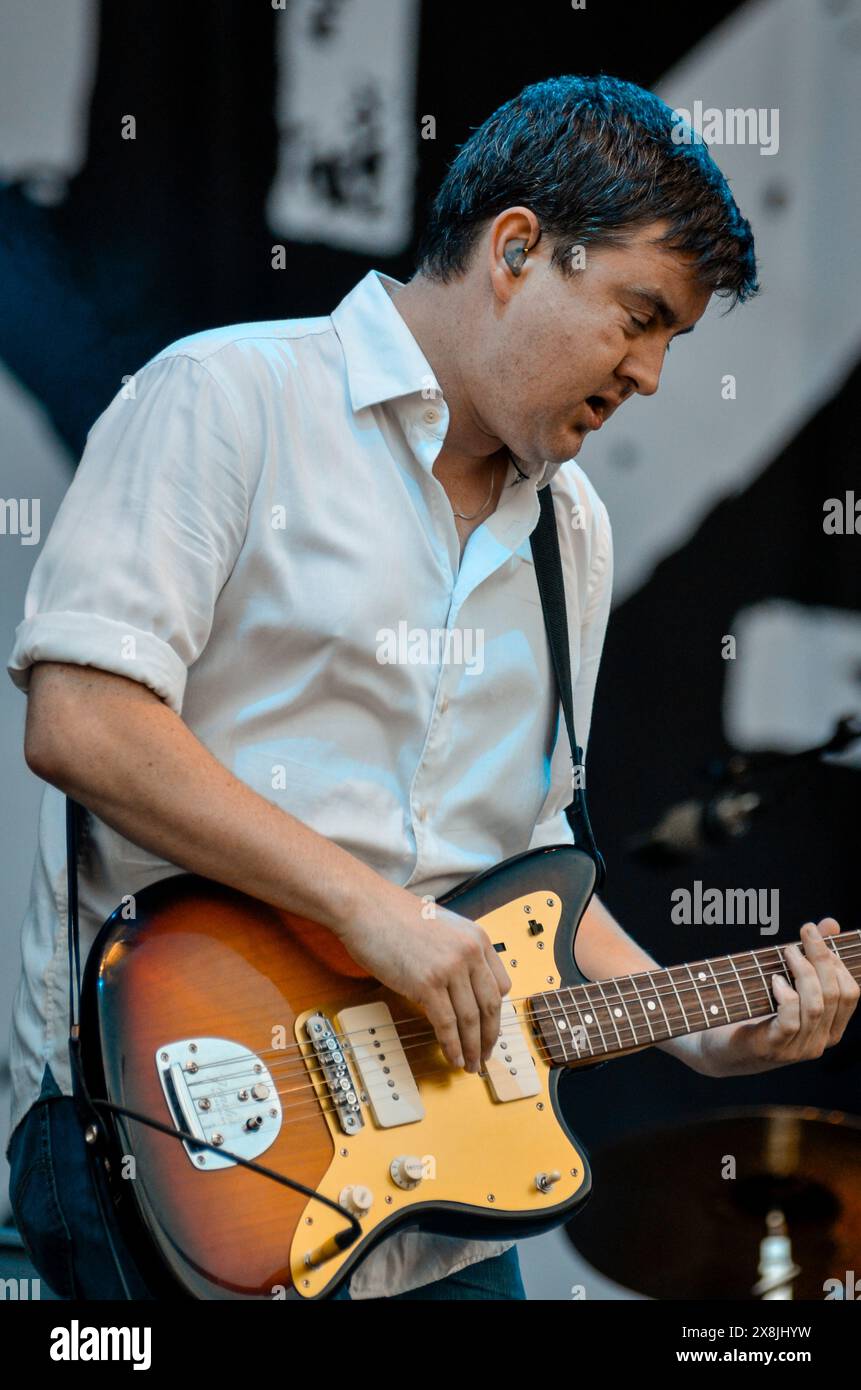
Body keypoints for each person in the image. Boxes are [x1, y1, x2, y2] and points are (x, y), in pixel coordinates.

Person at [6, 73, 858, 1303]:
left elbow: (530, 864)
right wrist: (371, 909)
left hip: (441, 1208)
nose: (654, 374)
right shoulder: (226, 398)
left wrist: (701, 1027)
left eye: (675, 339)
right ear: (517, 248)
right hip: (179, 1137)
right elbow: (83, 719)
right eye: (640, 314)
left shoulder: (577, 531)